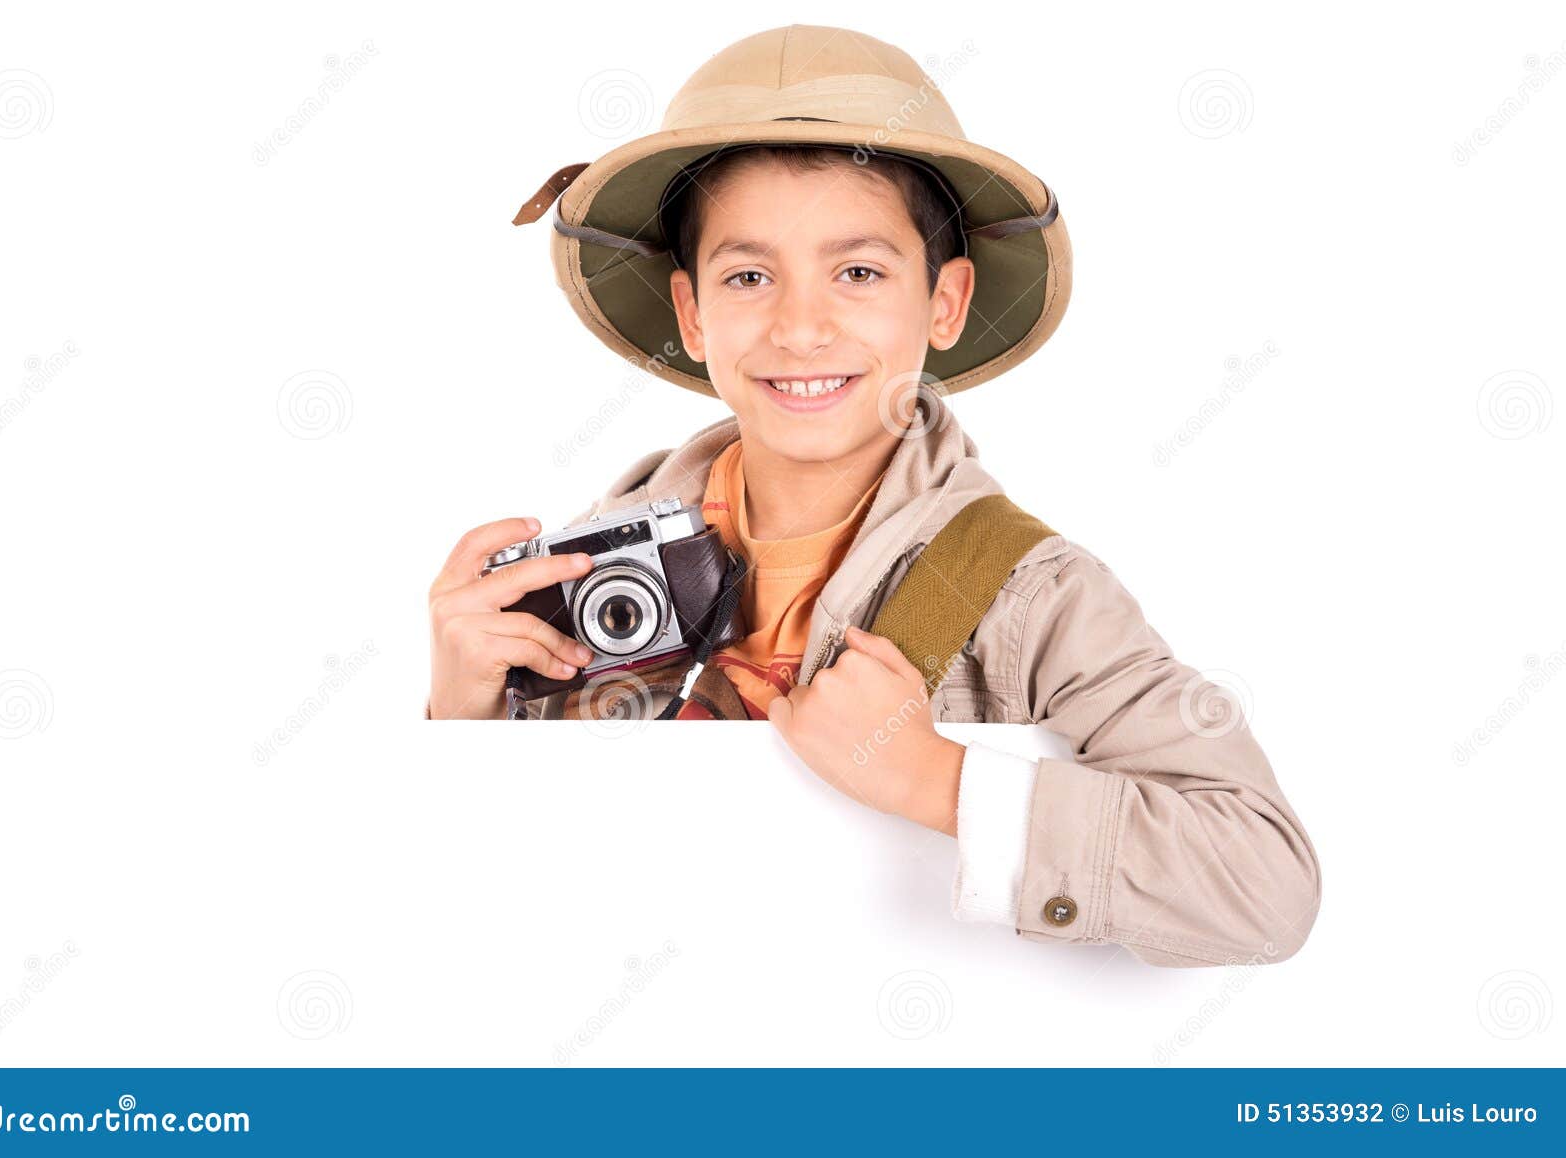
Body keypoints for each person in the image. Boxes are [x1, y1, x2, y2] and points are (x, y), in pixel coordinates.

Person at [427, 24, 1320, 967]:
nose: (801, 327)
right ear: (692, 313)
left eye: (858, 272)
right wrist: (461, 719)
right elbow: (504, 916)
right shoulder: (590, 571)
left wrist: (939, 780)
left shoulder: (1034, 598)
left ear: (945, 300)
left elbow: (1265, 885)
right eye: (748, 275)